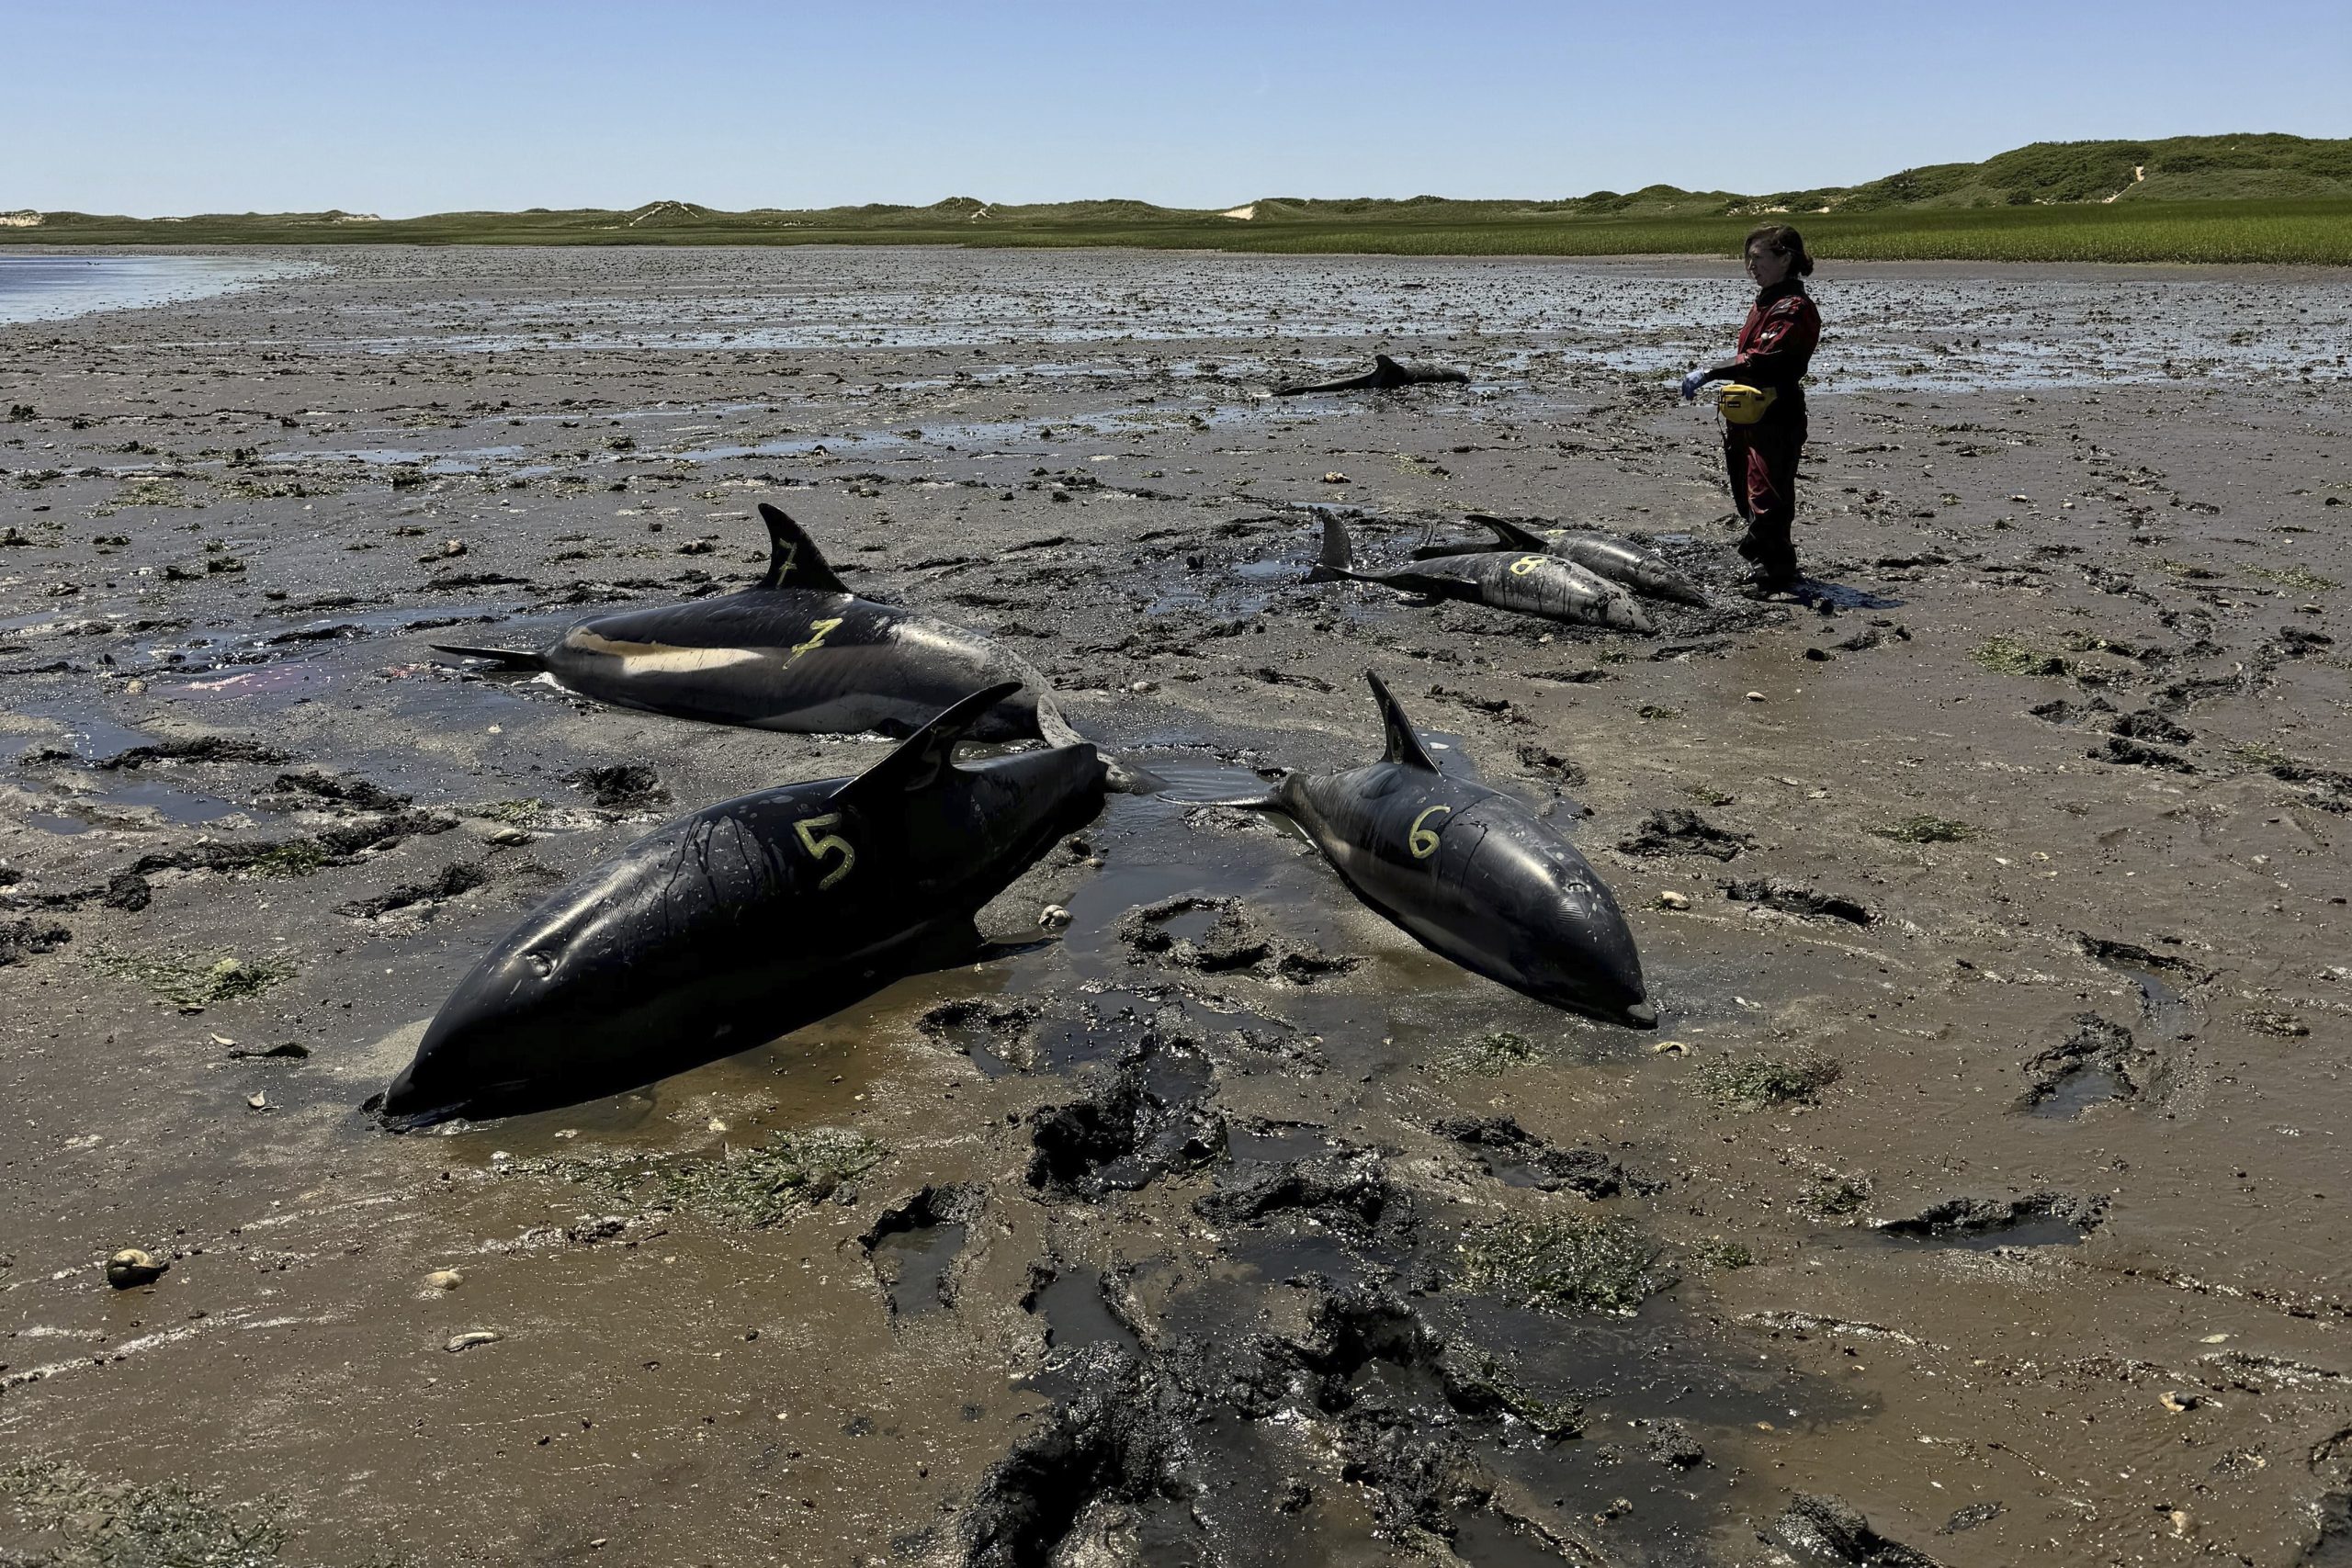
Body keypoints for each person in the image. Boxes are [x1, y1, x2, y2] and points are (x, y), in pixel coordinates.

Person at [1679, 224, 1822, 592]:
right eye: (1748, 259)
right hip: (1747, 414)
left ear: (1785, 258)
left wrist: (1711, 372)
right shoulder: (1765, 302)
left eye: (1758, 258)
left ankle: (1775, 570)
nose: (1750, 266)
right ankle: (1765, 563)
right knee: (1746, 491)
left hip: (1775, 413)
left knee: (1768, 494)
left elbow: (1762, 359)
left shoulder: (1794, 308)